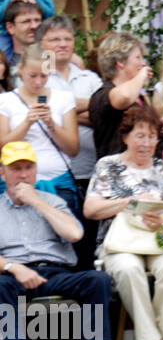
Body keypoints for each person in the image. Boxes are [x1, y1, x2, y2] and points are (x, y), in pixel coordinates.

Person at [83, 105, 163, 340]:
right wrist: (130, 202)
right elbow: (91, 209)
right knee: (129, 270)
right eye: (140, 136)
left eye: (152, 136)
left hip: (156, 240)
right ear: (126, 137)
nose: (146, 143)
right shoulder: (108, 165)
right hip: (120, 243)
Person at [0, 140, 111, 340]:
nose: (23, 175)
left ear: (35, 171)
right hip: (13, 274)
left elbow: (74, 234)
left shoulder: (53, 201)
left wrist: (36, 201)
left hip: (55, 271)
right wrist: (13, 267)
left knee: (97, 280)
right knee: (0, 285)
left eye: (28, 168)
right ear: (2, 172)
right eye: (15, 168)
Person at [36, 16, 101, 264]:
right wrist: (84, 109)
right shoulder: (36, 76)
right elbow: (42, 116)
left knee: (88, 241)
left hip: (90, 171)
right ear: (42, 44)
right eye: (54, 39)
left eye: (67, 38)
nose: (62, 44)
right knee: (61, 239)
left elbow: (102, 116)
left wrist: (64, 111)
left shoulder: (89, 78)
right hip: (55, 177)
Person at [0, 46, 80, 212]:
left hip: (58, 181)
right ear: (21, 69)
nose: (38, 82)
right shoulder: (5, 100)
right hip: (17, 183)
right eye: (32, 75)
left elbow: (73, 148)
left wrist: (51, 124)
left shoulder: (63, 98)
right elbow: (2, 146)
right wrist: (27, 123)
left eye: (44, 76)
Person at [88, 32, 158, 159]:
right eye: (138, 58)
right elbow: (124, 97)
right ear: (120, 62)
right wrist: (141, 76)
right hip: (117, 174)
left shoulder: (140, 97)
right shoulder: (103, 94)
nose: (143, 64)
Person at [3, 0, 44, 66]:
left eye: (37, 20)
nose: (34, 26)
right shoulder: (3, 65)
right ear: (10, 27)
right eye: (26, 21)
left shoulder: (54, 59)